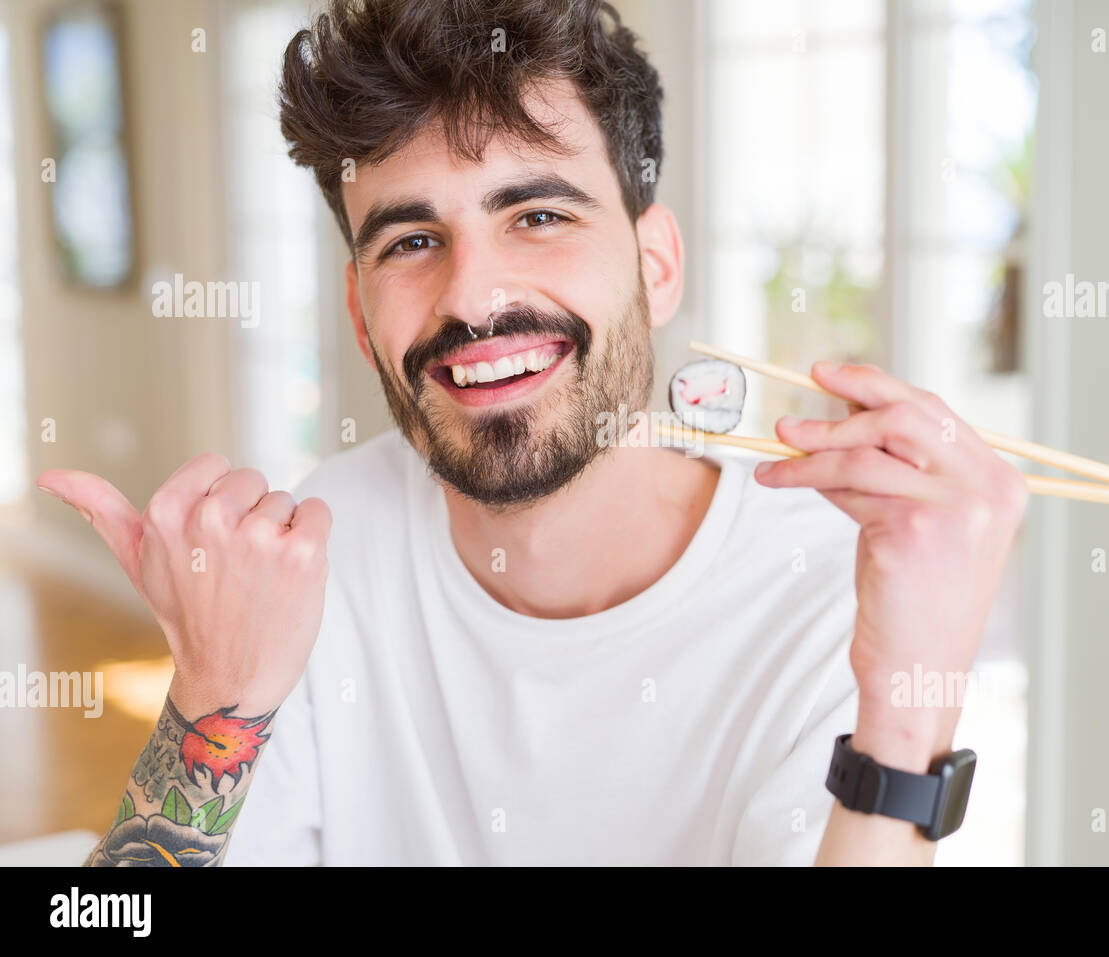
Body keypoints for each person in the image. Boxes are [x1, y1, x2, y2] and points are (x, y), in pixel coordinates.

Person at [39, 0, 1025, 866]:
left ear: (656, 265)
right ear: (358, 313)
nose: (472, 296)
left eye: (539, 215)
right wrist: (213, 695)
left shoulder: (833, 594)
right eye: (412, 241)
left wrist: (903, 713)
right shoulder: (312, 559)